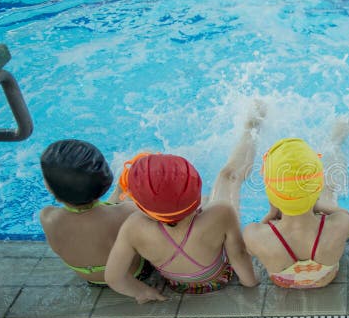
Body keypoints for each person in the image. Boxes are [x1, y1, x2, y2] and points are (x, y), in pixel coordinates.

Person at [105, 107, 263, 302]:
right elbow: (238, 255)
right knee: (228, 176)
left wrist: (142, 292)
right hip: (218, 279)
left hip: (177, 285)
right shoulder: (221, 213)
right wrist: (251, 284)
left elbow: (113, 278)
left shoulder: (133, 226)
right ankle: (252, 126)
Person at [244, 120, 349, 289]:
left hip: (282, 283)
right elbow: (348, 220)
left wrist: (271, 213)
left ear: (272, 196)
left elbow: (251, 250)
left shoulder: (254, 235)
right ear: (315, 192)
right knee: (329, 191)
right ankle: (335, 142)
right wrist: (319, 206)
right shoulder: (340, 225)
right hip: (327, 278)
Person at [39, 139, 146, 285]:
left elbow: (94, 217)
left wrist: (120, 191)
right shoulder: (127, 212)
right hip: (132, 275)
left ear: (50, 188)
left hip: (89, 278)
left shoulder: (48, 216)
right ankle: (122, 187)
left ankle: (120, 188)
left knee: (115, 205)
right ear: (106, 179)